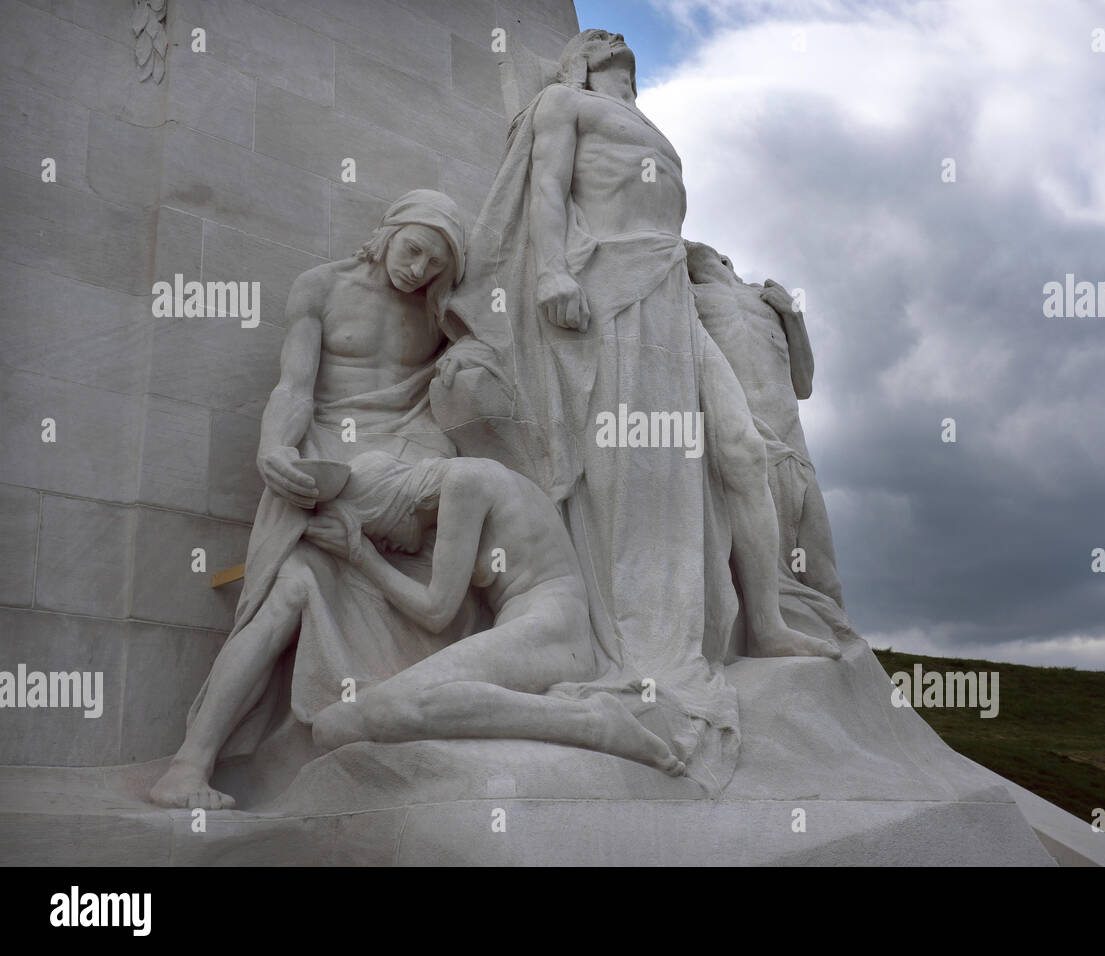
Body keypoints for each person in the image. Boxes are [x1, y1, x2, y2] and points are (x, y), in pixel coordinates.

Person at [429, 30, 839, 791]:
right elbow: (547, 189)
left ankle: (769, 624)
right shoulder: (563, 103)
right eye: (601, 40)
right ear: (581, 58)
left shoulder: (651, 125)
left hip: (670, 296)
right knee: (630, 469)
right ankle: (641, 641)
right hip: (609, 291)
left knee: (745, 452)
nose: (616, 44)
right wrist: (551, 271)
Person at [151, 190, 479, 810]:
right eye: (413, 251)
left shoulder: (438, 313)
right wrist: (276, 449)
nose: (418, 270)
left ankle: (394, 732)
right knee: (285, 590)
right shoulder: (320, 287)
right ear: (387, 231)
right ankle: (189, 764)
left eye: (434, 265)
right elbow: (295, 386)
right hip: (328, 460)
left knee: (429, 587)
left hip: (406, 467)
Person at [303, 451, 685, 776]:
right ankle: (591, 721)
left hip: (553, 629)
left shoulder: (464, 480)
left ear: (384, 501)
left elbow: (436, 611)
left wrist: (361, 556)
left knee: (391, 707)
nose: (384, 544)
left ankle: (592, 723)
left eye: (374, 531)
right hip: (531, 628)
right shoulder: (467, 488)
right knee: (332, 725)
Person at [687, 241, 852, 641]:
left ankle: (844, 667)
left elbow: (804, 384)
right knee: (753, 577)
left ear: (727, 260)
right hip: (744, 446)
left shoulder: (766, 300)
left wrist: (794, 316)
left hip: (794, 448)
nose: (689, 247)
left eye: (698, 246)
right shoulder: (686, 298)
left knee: (823, 577)